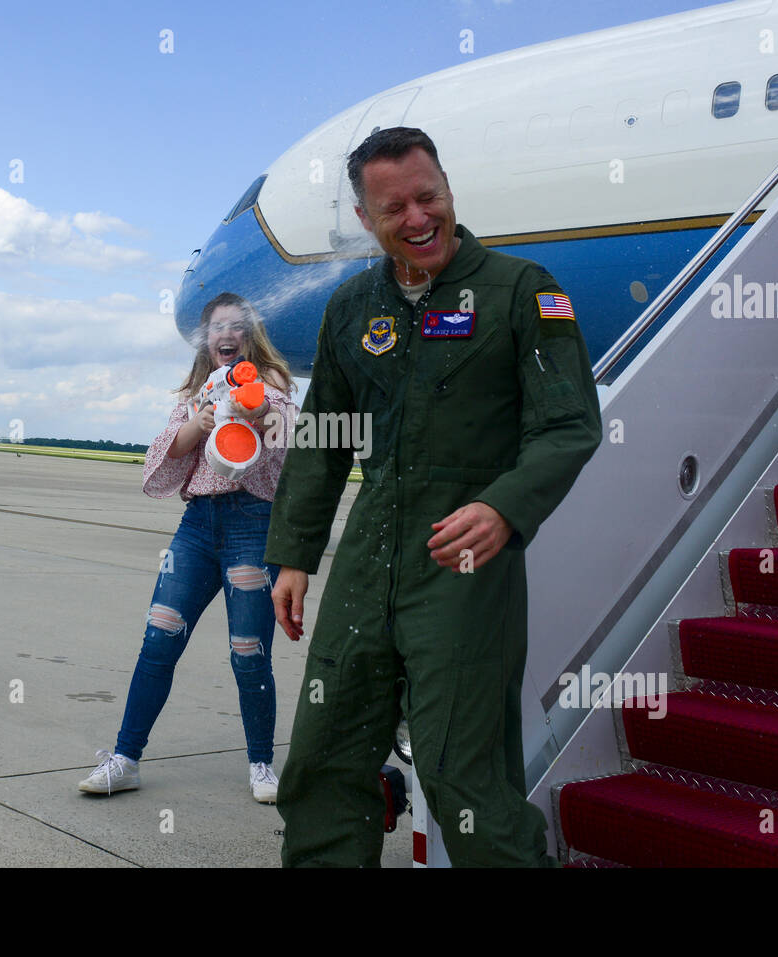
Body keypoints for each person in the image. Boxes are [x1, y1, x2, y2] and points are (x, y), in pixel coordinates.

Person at [266, 127, 602, 865]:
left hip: (463, 566)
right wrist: (293, 556)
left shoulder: (522, 291)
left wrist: (505, 506)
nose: (418, 219)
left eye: (429, 197)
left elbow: (571, 424)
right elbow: (324, 438)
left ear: (448, 190)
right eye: (395, 209)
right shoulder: (353, 308)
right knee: (323, 758)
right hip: (366, 561)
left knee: (463, 777)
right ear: (365, 220)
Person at [79, 292, 297, 803]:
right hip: (198, 526)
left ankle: (262, 764)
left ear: (250, 335)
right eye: (216, 327)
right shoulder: (196, 393)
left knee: (249, 652)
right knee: (159, 641)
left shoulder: (274, 384)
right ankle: (126, 759)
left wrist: (254, 402)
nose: (226, 334)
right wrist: (199, 422)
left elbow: (286, 436)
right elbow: (161, 461)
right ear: (206, 340)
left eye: (236, 327)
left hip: (253, 525)